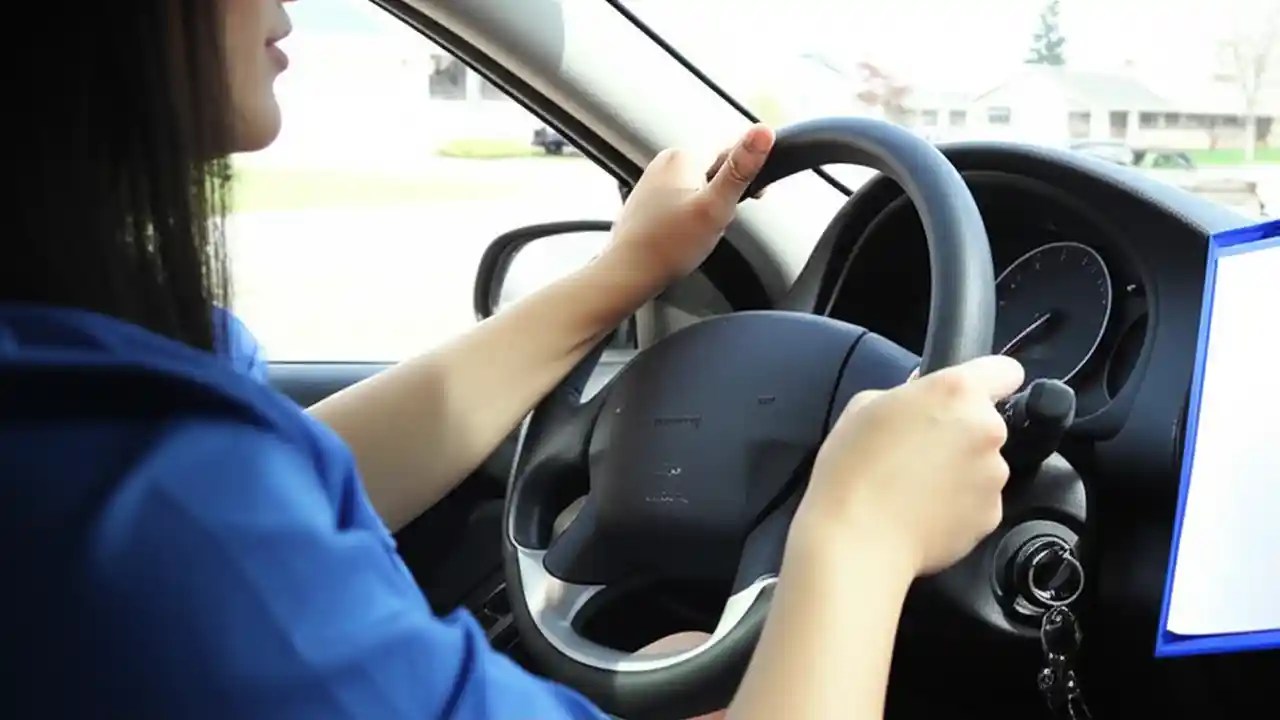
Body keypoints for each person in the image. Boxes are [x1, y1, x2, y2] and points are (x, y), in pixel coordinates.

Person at [0, 1, 1024, 718]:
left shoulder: (82, 414)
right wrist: (858, 538)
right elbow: (212, 525)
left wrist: (621, 273)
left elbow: (293, 472)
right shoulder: (147, 513)